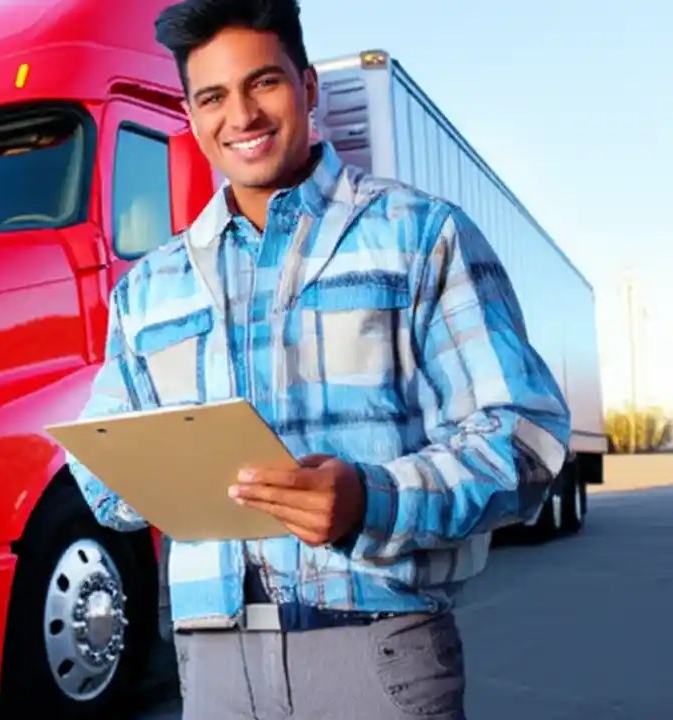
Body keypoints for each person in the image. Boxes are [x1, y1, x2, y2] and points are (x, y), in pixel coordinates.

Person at [64, 0, 573, 718]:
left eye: (263, 83)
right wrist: (137, 470)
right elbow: (103, 476)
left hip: (376, 647)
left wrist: (371, 499)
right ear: (190, 113)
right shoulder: (147, 290)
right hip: (211, 661)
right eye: (213, 96)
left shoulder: (421, 236)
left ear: (307, 87)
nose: (240, 115)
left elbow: (524, 439)